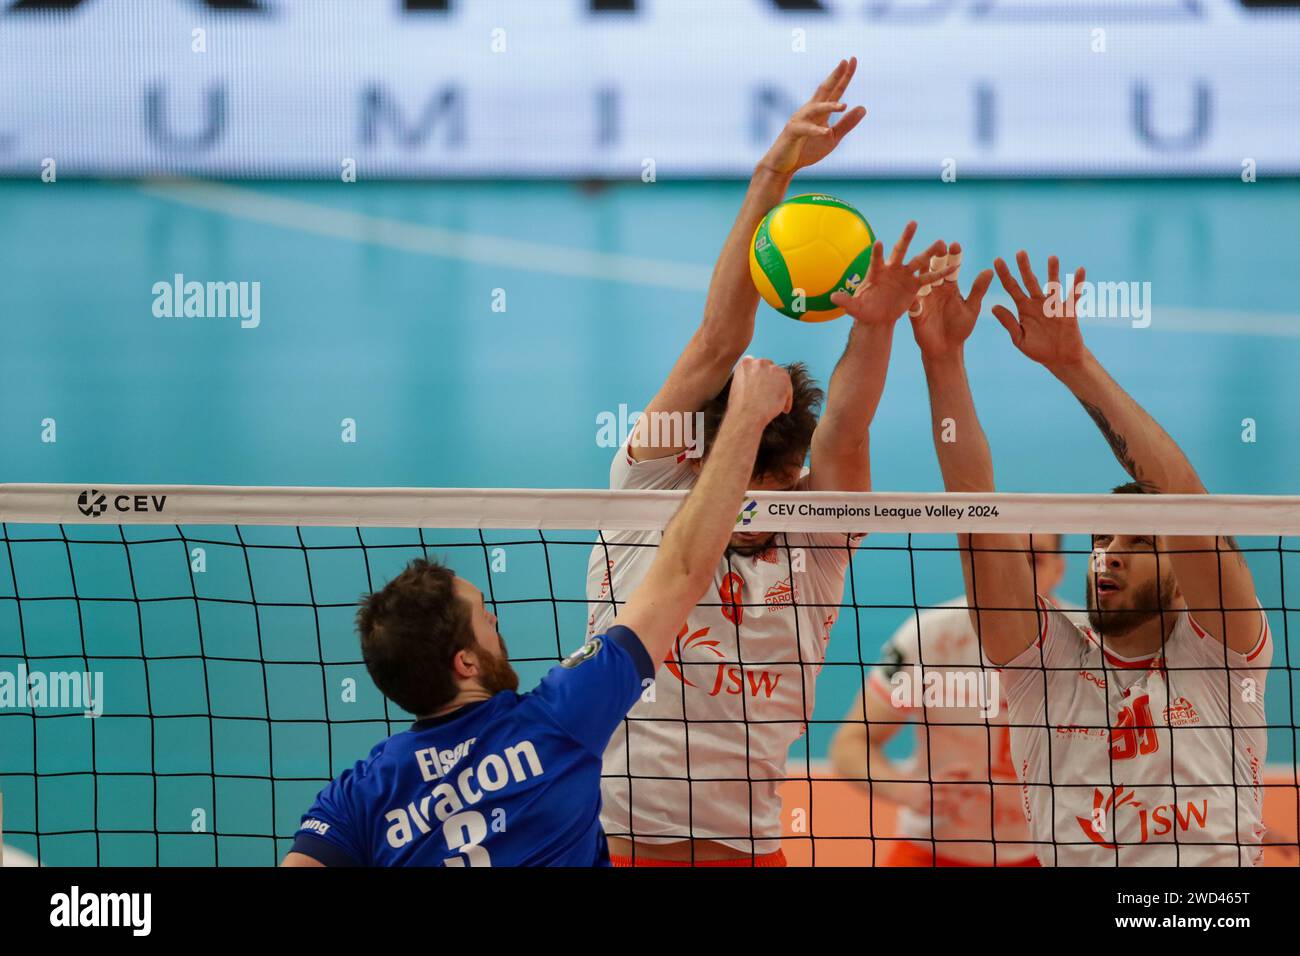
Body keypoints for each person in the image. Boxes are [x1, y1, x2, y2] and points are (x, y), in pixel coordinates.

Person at [588, 57, 957, 866]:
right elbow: (718, 342)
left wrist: (877, 324)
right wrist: (773, 171)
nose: (776, 500)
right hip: (606, 840)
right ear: (704, 461)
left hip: (750, 849)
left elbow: (846, 437)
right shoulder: (649, 492)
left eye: (786, 483)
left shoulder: (812, 549)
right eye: (758, 477)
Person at [281, 357, 795, 866]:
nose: (497, 621)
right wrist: (746, 416)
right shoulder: (560, 719)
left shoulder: (360, 794)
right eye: (485, 617)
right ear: (466, 662)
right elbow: (683, 569)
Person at [899, 245, 1272, 865]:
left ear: (1184, 578)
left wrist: (1075, 364)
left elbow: (1183, 502)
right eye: (1100, 540)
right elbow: (975, 511)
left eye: (1138, 542)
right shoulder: (1041, 666)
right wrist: (943, 360)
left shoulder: (1222, 653)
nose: (1109, 556)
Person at [828, 529, 1073, 867]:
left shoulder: (1086, 643)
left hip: (1048, 852)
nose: (1016, 572)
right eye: (1005, 557)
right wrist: (905, 790)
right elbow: (851, 743)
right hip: (933, 847)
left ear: (1058, 570)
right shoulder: (931, 636)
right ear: (982, 561)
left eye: (1033, 560)